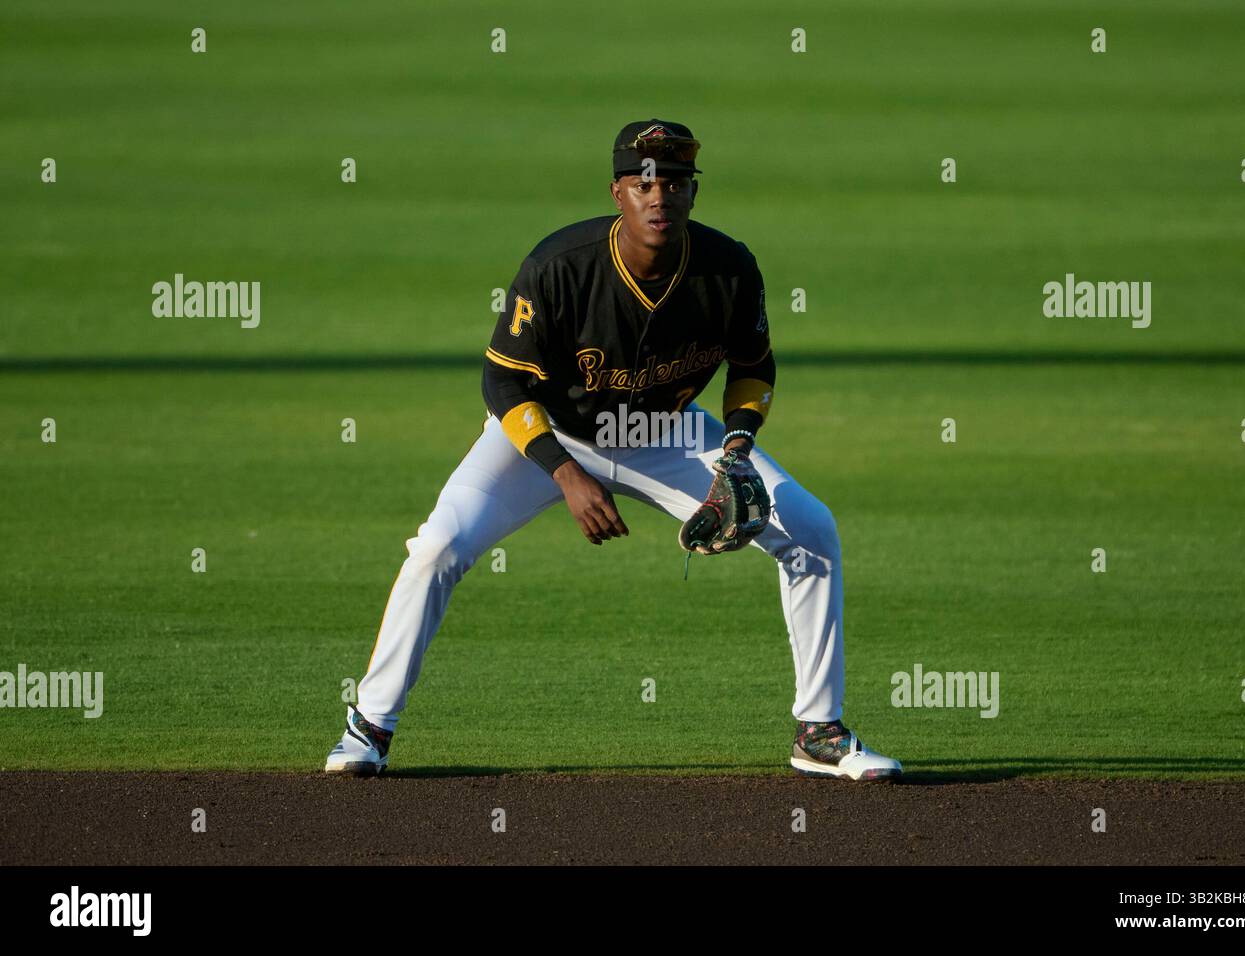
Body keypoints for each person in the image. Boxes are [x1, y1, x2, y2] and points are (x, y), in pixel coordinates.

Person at [325, 119, 903, 782]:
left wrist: (738, 447)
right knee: (438, 547)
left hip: (669, 434)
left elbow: (755, 365)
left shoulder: (728, 269)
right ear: (618, 192)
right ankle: (369, 728)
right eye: (644, 182)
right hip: (549, 435)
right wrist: (565, 473)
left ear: (693, 194)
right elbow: (502, 380)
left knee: (811, 530)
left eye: (676, 182)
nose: (660, 196)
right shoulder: (561, 266)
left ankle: (819, 733)